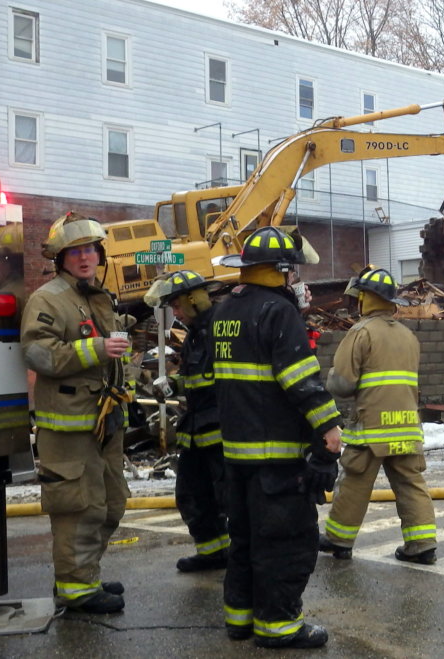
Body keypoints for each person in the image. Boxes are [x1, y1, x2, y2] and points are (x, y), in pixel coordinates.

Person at [212, 226, 343, 649]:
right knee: (285, 541)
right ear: (282, 270)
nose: (296, 281)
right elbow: (299, 380)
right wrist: (328, 429)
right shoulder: (276, 311)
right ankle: (279, 626)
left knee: (244, 539)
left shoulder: (224, 311)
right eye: (293, 273)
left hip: (236, 454)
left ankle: (241, 619)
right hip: (276, 457)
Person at [21, 212, 132, 614]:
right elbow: (37, 352)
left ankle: (86, 574)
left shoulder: (93, 295)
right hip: (69, 427)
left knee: (112, 503)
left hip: (103, 421)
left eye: (90, 249)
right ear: (60, 258)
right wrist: (99, 349)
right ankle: (75, 588)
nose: (84, 257)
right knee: (79, 507)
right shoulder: (48, 298)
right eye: (75, 252)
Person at [319, 268, 437, 564]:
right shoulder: (409, 336)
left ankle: (339, 540)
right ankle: (422, 545)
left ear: (367, 299)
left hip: (372, 429)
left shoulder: (361, 332)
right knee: (411, 484)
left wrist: (330, 377)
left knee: (355, 484)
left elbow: (343, 384)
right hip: (407, 427)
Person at [151, 270, 229, 572]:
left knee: (229, 498)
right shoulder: (195, 330)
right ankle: (213, 552)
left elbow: (225, 377)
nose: (176, 312)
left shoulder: (222, 326)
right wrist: (175, 385)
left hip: (220, 430)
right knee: (192, 495)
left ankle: (242, 555)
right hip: (196, 430)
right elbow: (198, 377)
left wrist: (185, 384)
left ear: (195, 299)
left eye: (178, 305)